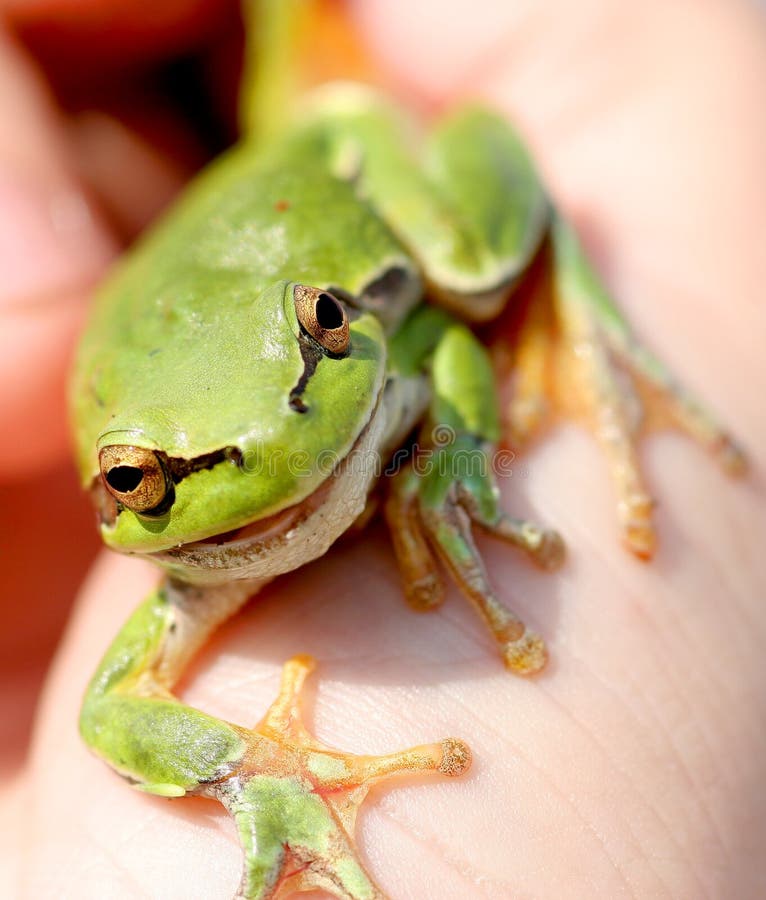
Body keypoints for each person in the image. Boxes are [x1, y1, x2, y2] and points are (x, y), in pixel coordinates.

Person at [2, 1, 764, 895]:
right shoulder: (183, 573)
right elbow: (109, 710)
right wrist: (250, 771)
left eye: (325, 324)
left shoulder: (354, 361)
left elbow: (440, 338)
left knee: (474, 271)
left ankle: (559, 275)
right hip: (200, 278)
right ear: (117, 497)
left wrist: (449, 456)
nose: (279, 443)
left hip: (336, 159)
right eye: (134, 479)